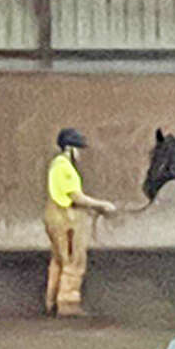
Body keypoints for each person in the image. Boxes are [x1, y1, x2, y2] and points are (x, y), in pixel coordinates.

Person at [44, 127, 115, 317]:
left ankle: (51, 301)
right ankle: (68, 303)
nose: (80, 154)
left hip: (55, 214)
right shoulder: (64, 167)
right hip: (65, 216)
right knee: (74, 260)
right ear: (70, 148)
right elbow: (76, 197)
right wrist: (102, 205)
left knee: (59, 260)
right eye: (78, 149)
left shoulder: (56, 165)